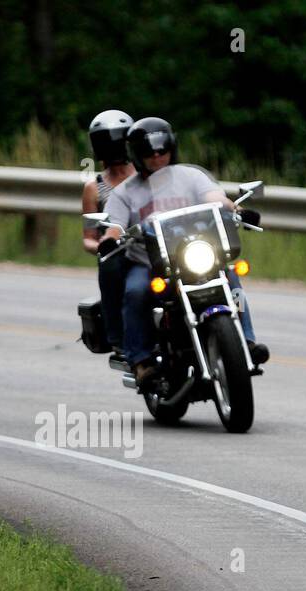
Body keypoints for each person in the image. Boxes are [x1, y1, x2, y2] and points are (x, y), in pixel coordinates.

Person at [101, 117, 269, 387]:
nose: (157, 157)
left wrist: (236, 210)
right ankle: (141, 360)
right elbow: (115, 225)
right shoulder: (125, 193)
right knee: (135, 292)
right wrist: (110, 238)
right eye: (149, 152)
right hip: (150, 262)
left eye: (162, 150)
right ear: (137, 154)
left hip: (194, 252)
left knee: (230, 276)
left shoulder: (190, 176)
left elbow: (215, 198)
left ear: (172, 148)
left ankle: (246, 342)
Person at [82, 109, 134, 354]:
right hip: (118, 250)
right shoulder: (94, 188)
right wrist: (104, 246)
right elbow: (88, 238)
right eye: (105, 142)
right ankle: (119, 338)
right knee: (111, 267)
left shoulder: (146, 176)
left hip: (152, 244)